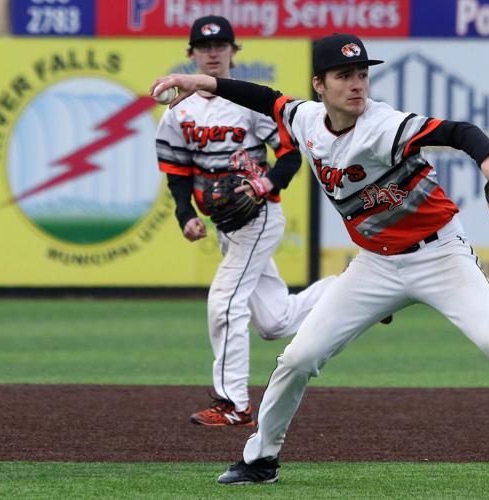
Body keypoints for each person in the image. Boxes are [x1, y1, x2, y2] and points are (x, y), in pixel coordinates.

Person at [152, 33, 489, 484]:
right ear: (319, 85)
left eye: (362, 74)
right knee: (297, 358)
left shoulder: (384, 126)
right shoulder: (305, 120)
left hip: (440, 256)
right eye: (344, 75)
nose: (357, 84)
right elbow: (263, 97)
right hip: (374, 265)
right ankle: (261, 459)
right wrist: (196, 82)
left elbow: (461, 131)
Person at [155, 15, 337, 427]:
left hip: (258, 216)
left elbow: (290, 155)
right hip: (225, 223)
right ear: (191, 53)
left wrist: (265, 183)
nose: (213, 53)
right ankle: (352, 288)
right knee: (275, 321)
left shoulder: (246, 103)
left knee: (225, 302)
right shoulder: (178, 112)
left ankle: (233, 404)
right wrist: (185, 215)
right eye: (205, 47)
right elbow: (177, 171)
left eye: (220, 45)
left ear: (234, 51)